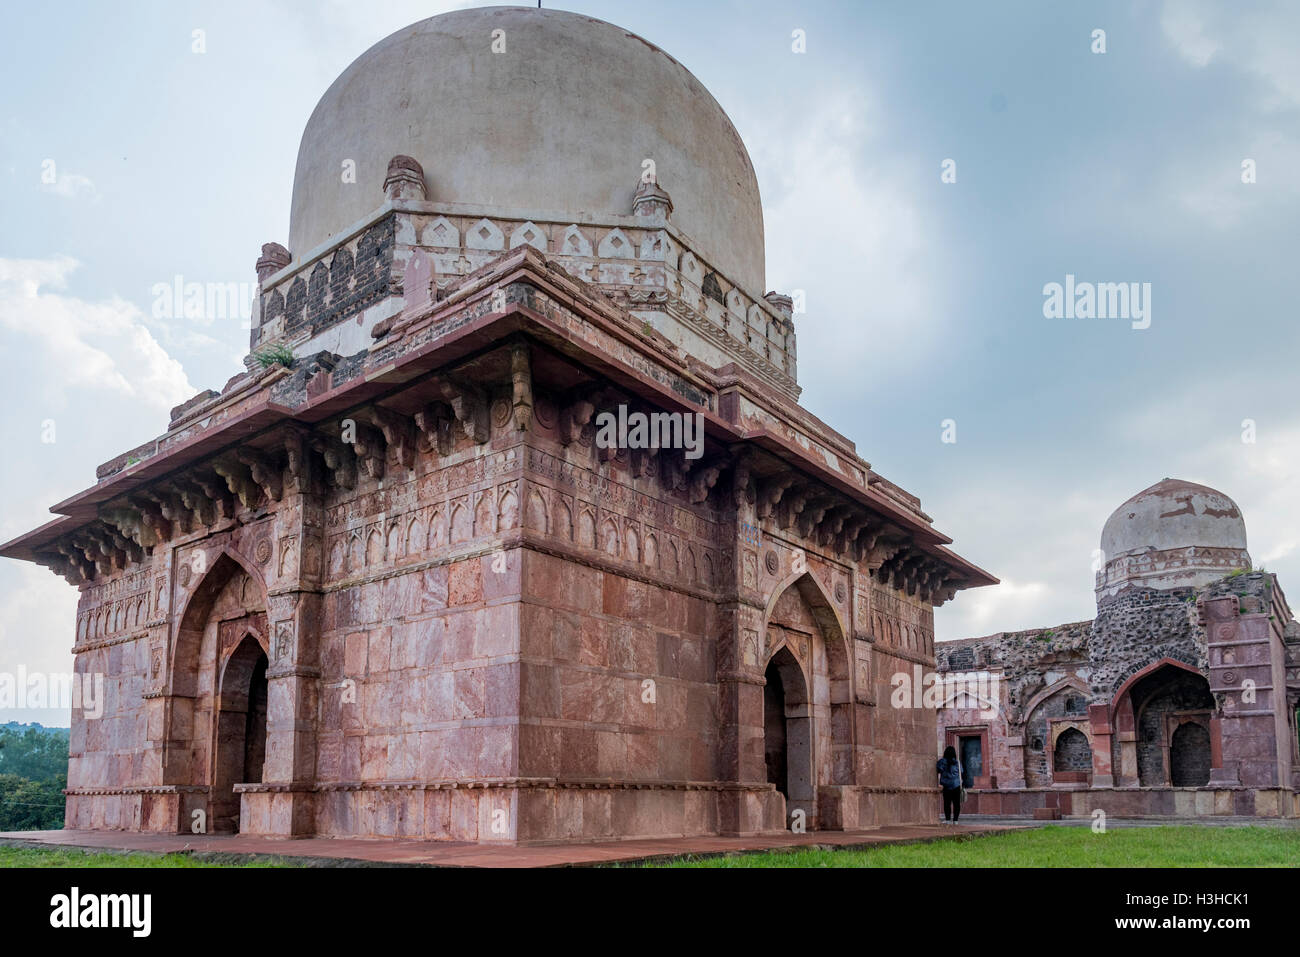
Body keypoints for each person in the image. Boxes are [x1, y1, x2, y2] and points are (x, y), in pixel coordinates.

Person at [936, 745, 963, 824]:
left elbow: (939, 770)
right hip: (956, 785)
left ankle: (948, 819)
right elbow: (961, 771)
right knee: (956, 804)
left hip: (946, 786)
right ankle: (955, 820)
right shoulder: (957, 762)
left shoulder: (941, 762)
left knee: (947, 803)